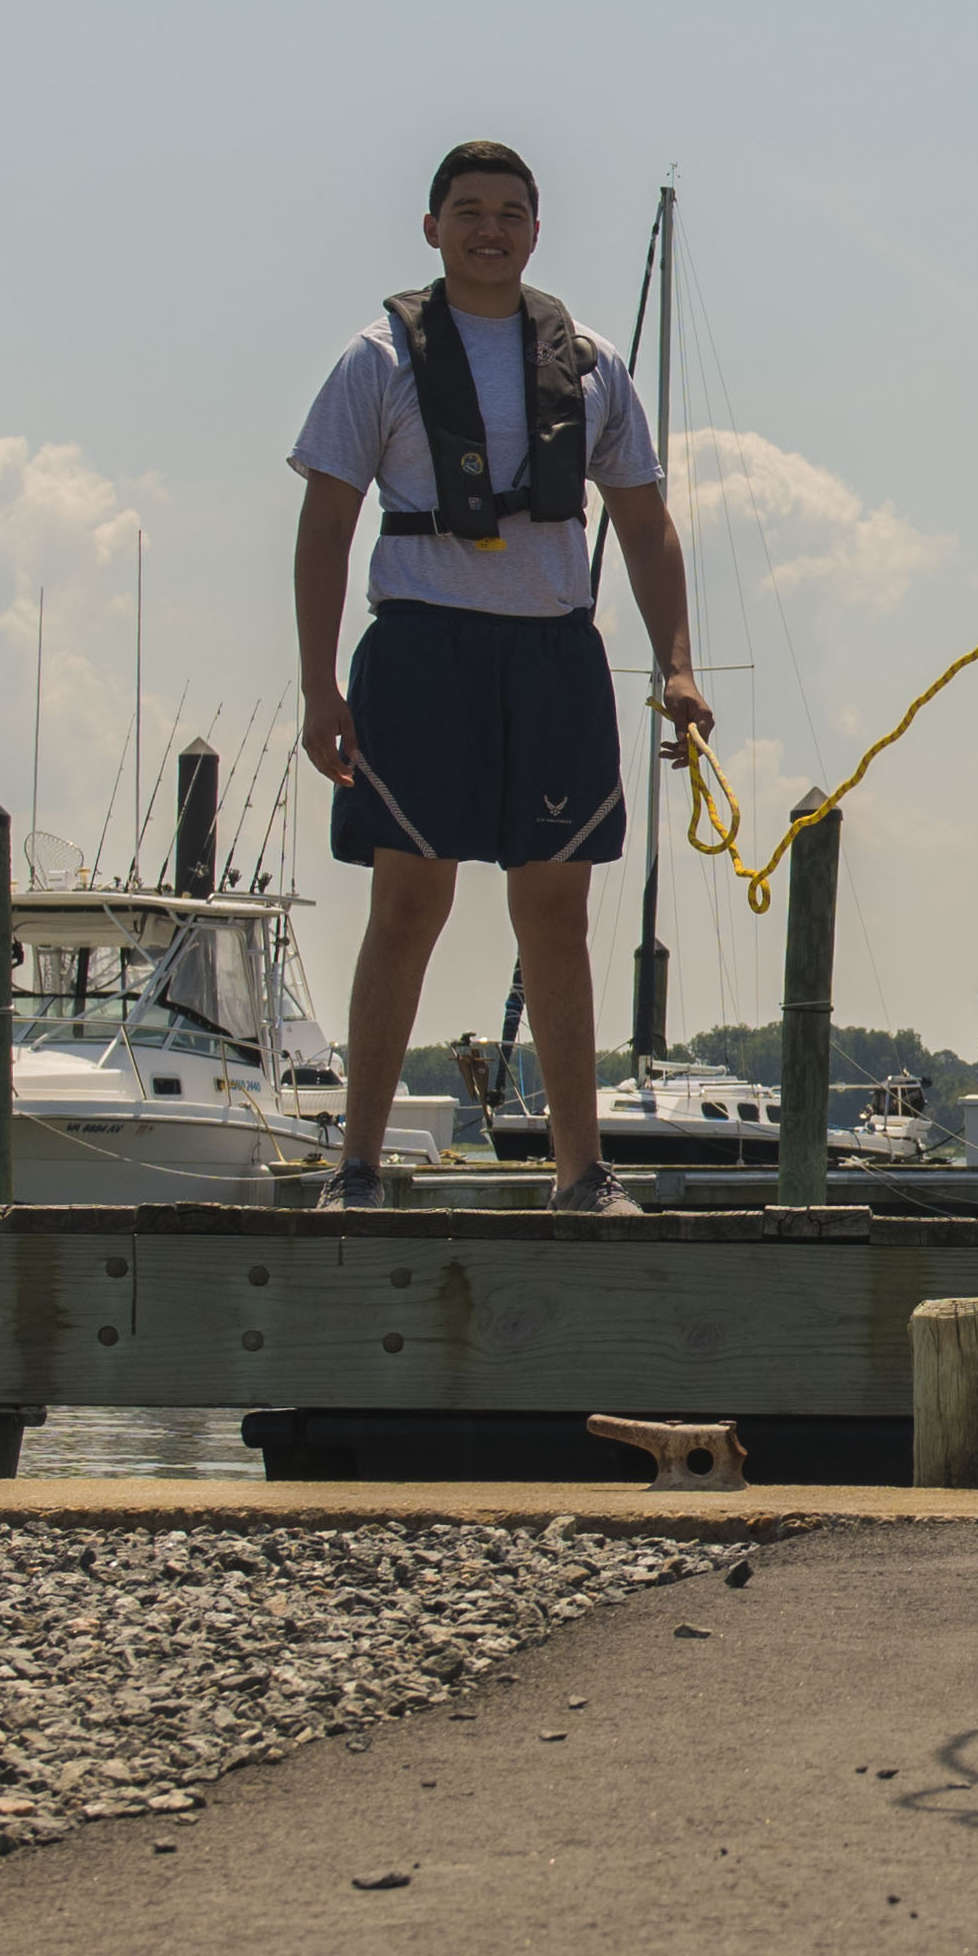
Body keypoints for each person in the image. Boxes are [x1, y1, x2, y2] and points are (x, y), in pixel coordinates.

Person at [290, 139, 712, 1214]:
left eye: (511, 211)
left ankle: (583, 1173)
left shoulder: (591, 361)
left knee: (556, 912)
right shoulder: (376, 357)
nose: (490, 228)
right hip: (424, 648)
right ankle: (359, 1167)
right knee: (409, 902)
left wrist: (677, 667)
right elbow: (325, 526)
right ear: (432, 228)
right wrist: (318, 689)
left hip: (552, 652)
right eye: (468, 210)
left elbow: (646, 523)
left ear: (536, 229)